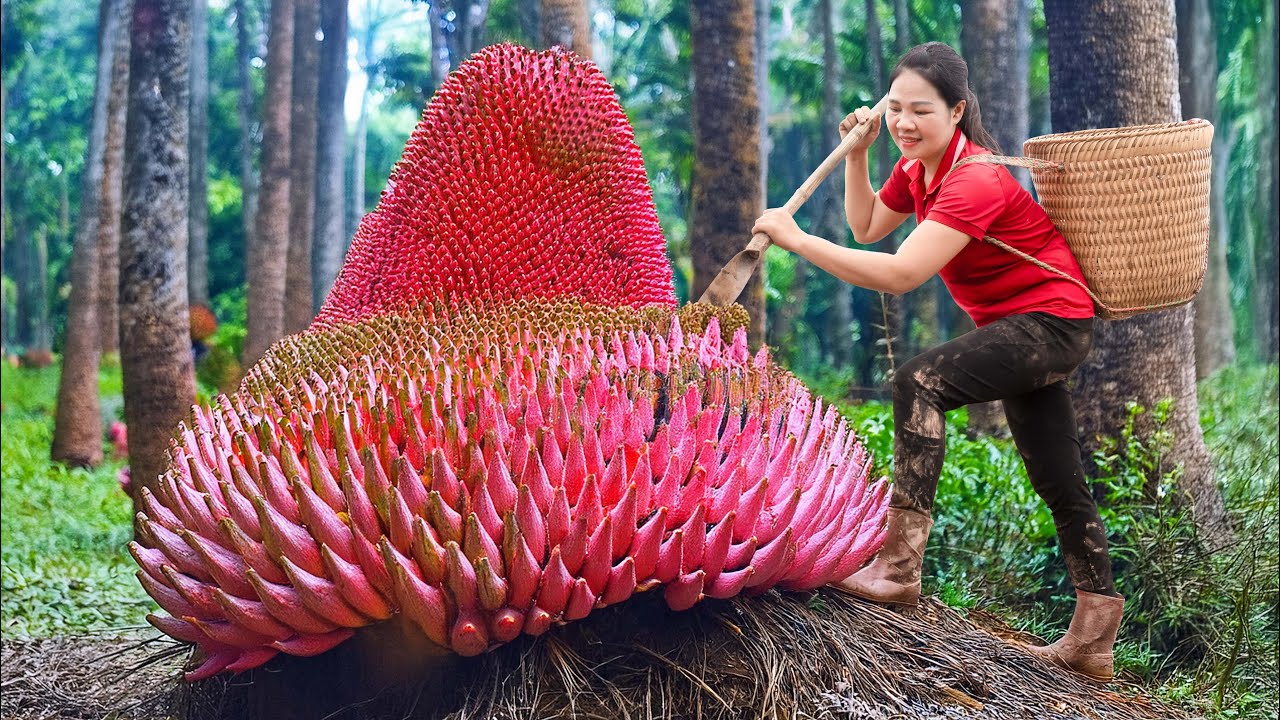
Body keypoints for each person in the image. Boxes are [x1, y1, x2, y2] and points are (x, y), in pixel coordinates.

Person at [751, 42, 1125, 683]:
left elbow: (899, 274)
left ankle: (898, 568)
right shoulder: (918, 167)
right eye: (893, 108)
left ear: (957, 112)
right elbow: (868, 225)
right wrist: (861, 154)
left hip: (1051, 322)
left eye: (919, 111)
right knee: (1058, 474)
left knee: (917, 381)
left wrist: (798, 239)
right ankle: (1094, 633)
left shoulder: (974, 177)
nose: (902, 122)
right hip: (1020, 328)